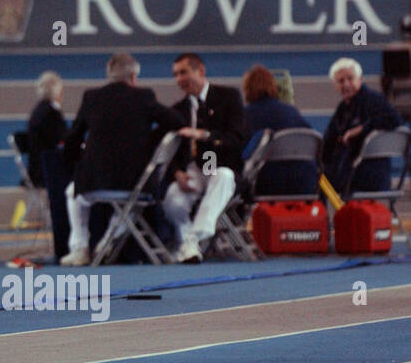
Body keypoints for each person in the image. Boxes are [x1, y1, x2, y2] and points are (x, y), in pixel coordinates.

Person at [60, 53, 185, 266]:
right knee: (130, 205)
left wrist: (74, 166)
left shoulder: (91, 97)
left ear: (109, 74)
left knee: (72, 192)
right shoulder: (144, 96)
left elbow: (73, 139)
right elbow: (176, 121)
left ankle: (80, 247)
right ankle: (110, 239)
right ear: (134, 76)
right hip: (135, 182)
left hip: (95, 181)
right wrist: (152, 138)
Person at [162, 53, 248, 263]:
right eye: (175, 74)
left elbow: (239, 137)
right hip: (194, 168)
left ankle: (194, 239)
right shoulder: (178, 109)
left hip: (216, 162)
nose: (179, 79)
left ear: (200, 71)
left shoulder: (227, 97)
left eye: (183, 72)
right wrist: (177, 173)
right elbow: (170, 149)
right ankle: (186, 243)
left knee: (224, 176)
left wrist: (205, 135)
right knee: (173, 198)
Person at [322, 57, 400, 194]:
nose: (346, 84)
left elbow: (394, 119)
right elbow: (328, 142)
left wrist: (362, 129)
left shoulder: (374, 100)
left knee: (316, 182)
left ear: (360, 79)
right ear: (334, 85)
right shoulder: (342, 108)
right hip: (349, 173)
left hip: (366, 176)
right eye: (341, 81)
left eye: (350, 79)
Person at [241, 65, 316, 197]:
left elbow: (243, 152)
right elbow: (311, 141)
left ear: (247, 89)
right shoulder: (292, 112)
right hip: (304, 181)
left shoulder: (246, 115)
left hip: (268, 182)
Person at [27, 71, 69, 259]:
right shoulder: (51, 113)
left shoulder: (39, 110)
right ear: (58, 92)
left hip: (37, 170)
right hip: (46, 173)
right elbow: (63, 143)